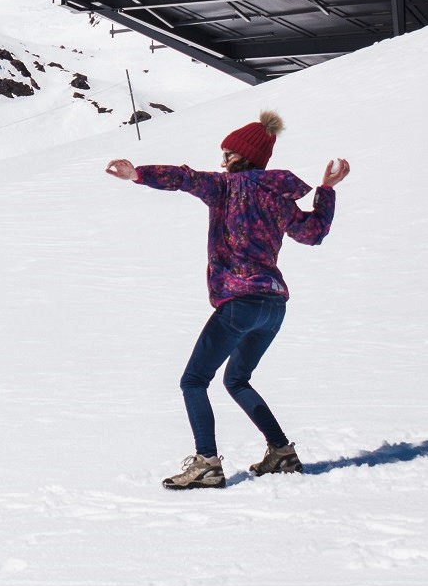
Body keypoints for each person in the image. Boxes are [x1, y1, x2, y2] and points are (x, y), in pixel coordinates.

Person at [106, 111, 348, 490]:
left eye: (226, 154)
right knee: (236, 379)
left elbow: (185, 178)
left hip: (239, 301)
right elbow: (313, 233)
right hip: (273, 307)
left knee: (194, 381)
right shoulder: (278, 198)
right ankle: (281, 452)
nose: (221, 161)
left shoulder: (225, 187)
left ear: (240, 157)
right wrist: (327, 189)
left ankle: (206, 464)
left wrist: (138, 174)